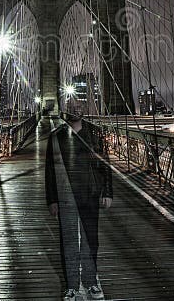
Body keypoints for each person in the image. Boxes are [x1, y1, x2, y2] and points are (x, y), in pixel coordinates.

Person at [45, 116, 112, 300]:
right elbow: (49, 169)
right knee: (69, 241)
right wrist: (52, 199)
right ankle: (71, 285)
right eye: (71, 103)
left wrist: (107, 192)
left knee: (91, 240)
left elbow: (104, 163)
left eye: (79, 104)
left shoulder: (94, 135)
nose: (76, 107)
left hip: (89, 193)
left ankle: (90, 281)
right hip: (65, 194)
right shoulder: (56, 136)